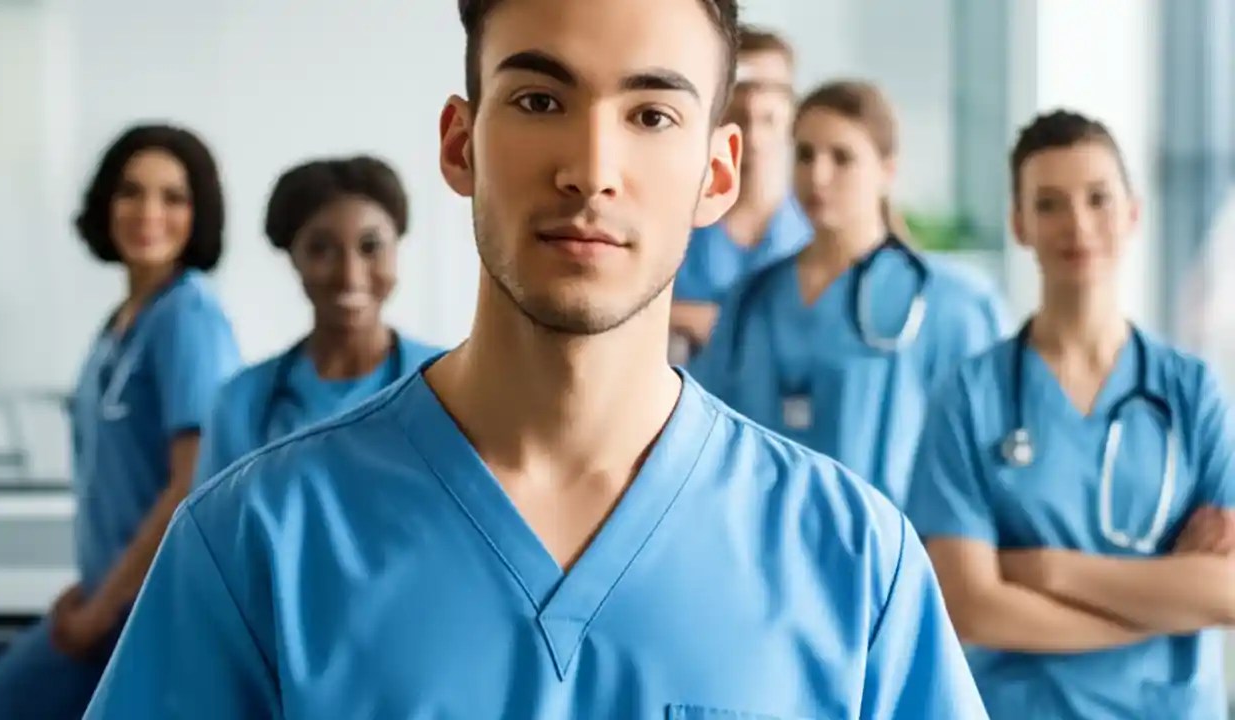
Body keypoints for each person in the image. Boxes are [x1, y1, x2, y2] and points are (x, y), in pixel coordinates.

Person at [83, 1, 986, 718]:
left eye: (651, 113)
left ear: (719, 173)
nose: (592, 167)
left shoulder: (854, 565)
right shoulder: (257, 548)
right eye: (541, 101)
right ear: (460, 143)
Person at [907, 110, 1235, 719]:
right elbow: (971, 604)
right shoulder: (971, 395)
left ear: (1133, 212)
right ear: (1019, 223)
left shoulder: (1191, 391)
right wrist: (1161, 605)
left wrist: (1048, 569)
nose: (1078, 224)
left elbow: (1228, 590)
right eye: (1050, 203)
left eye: (1097, 199)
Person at [0, 124, 240, 719]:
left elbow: (191, 485)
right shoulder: (125, 320)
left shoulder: (187, 319)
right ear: (106, 203)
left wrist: (100, 608)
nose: (148, 212)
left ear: (200, 214)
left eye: (173, 197)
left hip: (151, 611)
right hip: (111, 599)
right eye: (130, 192)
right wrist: (90, 591)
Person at [691, 80, 1008, 508]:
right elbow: (711, 439)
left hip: (890, 553)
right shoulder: (751, 300)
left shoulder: (950, 304)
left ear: (887, 170)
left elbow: (982, 463)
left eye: (842, 158)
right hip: (761, 547)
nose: (818, 175)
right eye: (805, 155)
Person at [192, 156, 441, 485]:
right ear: (292, 257)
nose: (350, 276)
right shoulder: (242, 402)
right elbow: (218, 531)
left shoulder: (449, 386)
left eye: (370, 247)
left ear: (397, 247)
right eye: (322, 249)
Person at [668, 25, 811, 362]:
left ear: (793, 109)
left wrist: (716, 321)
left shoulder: (813, 226)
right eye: (742, 88)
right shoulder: (681, 217)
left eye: (772, 90)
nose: (755, 103)